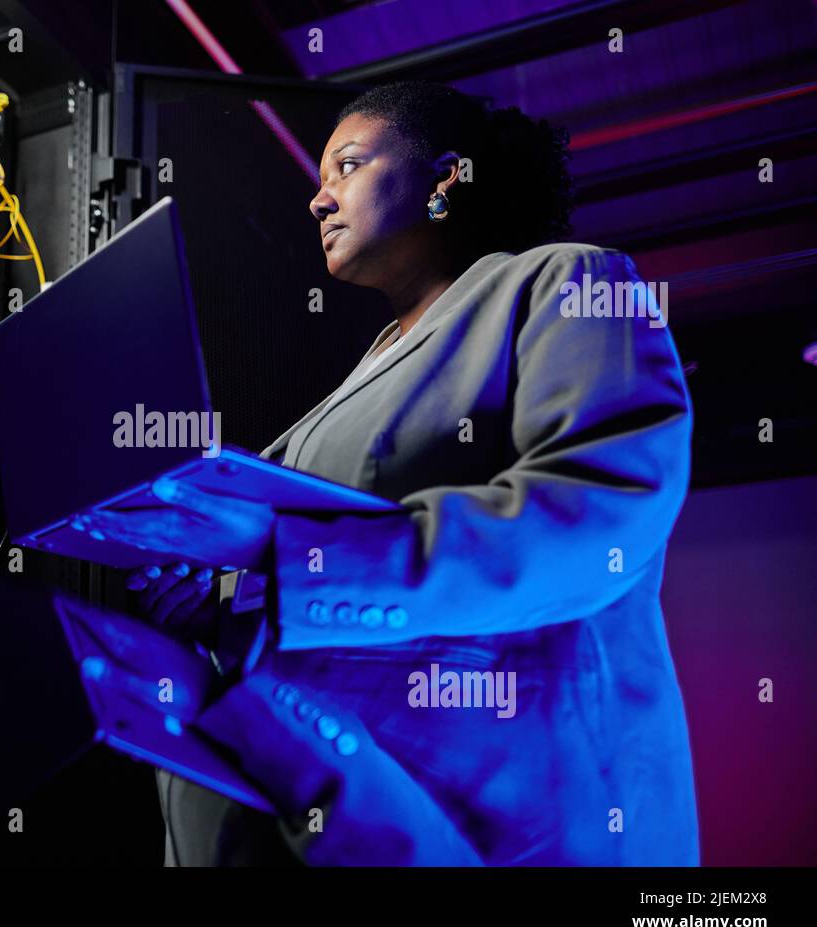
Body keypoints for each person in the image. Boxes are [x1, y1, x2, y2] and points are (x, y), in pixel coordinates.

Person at [90, 81, 699, 865]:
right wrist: (217, 594)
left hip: (510, 823)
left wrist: (281, 550)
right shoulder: (351, 384)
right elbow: (311, 589)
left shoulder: (567, 281)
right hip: (339, 816)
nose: (318, 201)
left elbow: (603, 513)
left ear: (445, 180)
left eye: (346, 166)